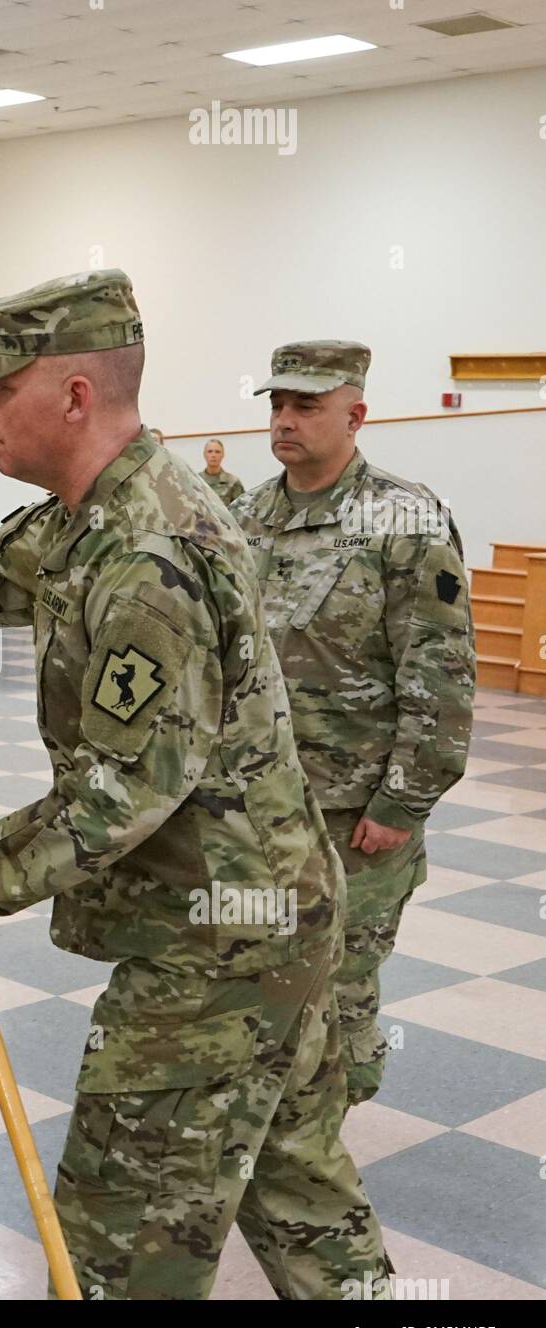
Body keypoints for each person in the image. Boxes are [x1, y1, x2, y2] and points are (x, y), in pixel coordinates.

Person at [0, 269, 390, 1300]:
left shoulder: (148, 545)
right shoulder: (92, 511)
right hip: (262, 919)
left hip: (216, 948)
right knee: (303, 1204)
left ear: (72, 395)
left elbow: (125, 792)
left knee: (124, 1235)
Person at [230, 342, 476, 1105]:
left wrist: (400, 804)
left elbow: (439, 673)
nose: (284, 420)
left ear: (354, 415)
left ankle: (325, 1144)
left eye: (306, 406)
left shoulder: (405, 520)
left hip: (353, 810)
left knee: (340, 981)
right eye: (276, 405)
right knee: (256, 969)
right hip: (255, 801)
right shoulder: (247, 515)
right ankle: (270, 1125)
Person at [200, 437, 243, 504]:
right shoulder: (197, 480)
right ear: (204, 454)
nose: (213, 455)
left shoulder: (233, 482)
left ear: (222, 455)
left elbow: (240, 509)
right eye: (210, 451)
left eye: (217, 452)